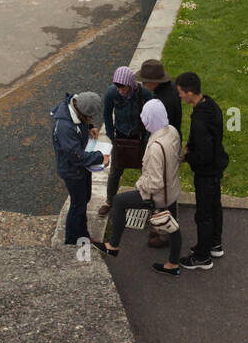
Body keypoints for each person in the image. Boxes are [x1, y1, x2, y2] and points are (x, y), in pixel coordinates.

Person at [93, 99, 184, 277]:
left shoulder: (156, 147)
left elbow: (155, 182)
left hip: (158, 195)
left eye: (145, 118)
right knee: (173, 226)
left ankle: (113, 246)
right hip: (172, 189)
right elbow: (177, 158)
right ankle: (173, 264)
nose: (143, 121)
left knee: (119, 202)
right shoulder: (171, 131)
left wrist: (139, 185)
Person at [175, 71, 229, 270]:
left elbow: (203, 157)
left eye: (181, 92)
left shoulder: (199, 121)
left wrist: (188, 154)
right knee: (215, 207)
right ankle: (215, 244)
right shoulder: (211, 106)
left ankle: (202, 257)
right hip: (217, 168)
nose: (179, 95)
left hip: (206, 173)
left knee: (203, 214)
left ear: (189, 93)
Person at [49, 91, 109, 245]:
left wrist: (89, 127)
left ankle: (83, 235)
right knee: (78, 205)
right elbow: (77, 156)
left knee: (84, 199)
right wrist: (100, 157)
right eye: (89, 117)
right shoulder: (65, 127)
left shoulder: (76, 108)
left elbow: (80, 124)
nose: (91, 119)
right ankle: (70, 242)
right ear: (81, 112)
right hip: (72, 171)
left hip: (81, 169)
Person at [135, 60, 182, 247]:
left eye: (145, 81)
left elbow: (158, 126)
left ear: (155, 82)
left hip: (162, 148)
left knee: (161, 191)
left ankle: (163, 232)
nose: (144, 85)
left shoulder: (162, 100)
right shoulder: (169, 92)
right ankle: (167, 230)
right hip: (171, 144)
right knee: (168, 185)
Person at [97, 66, 152, 217]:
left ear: (130, 84)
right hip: (120, 136)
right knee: (115, 171)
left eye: (123, 87)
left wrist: (147, 135)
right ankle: (109, 201)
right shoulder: (111, 93)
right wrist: (111, 135)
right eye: (117, 87)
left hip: (139, 137)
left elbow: (153, 109)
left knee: (145, 170)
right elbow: (106, 114)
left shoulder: (143, 92)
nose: (120, 90)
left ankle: (147, 200)